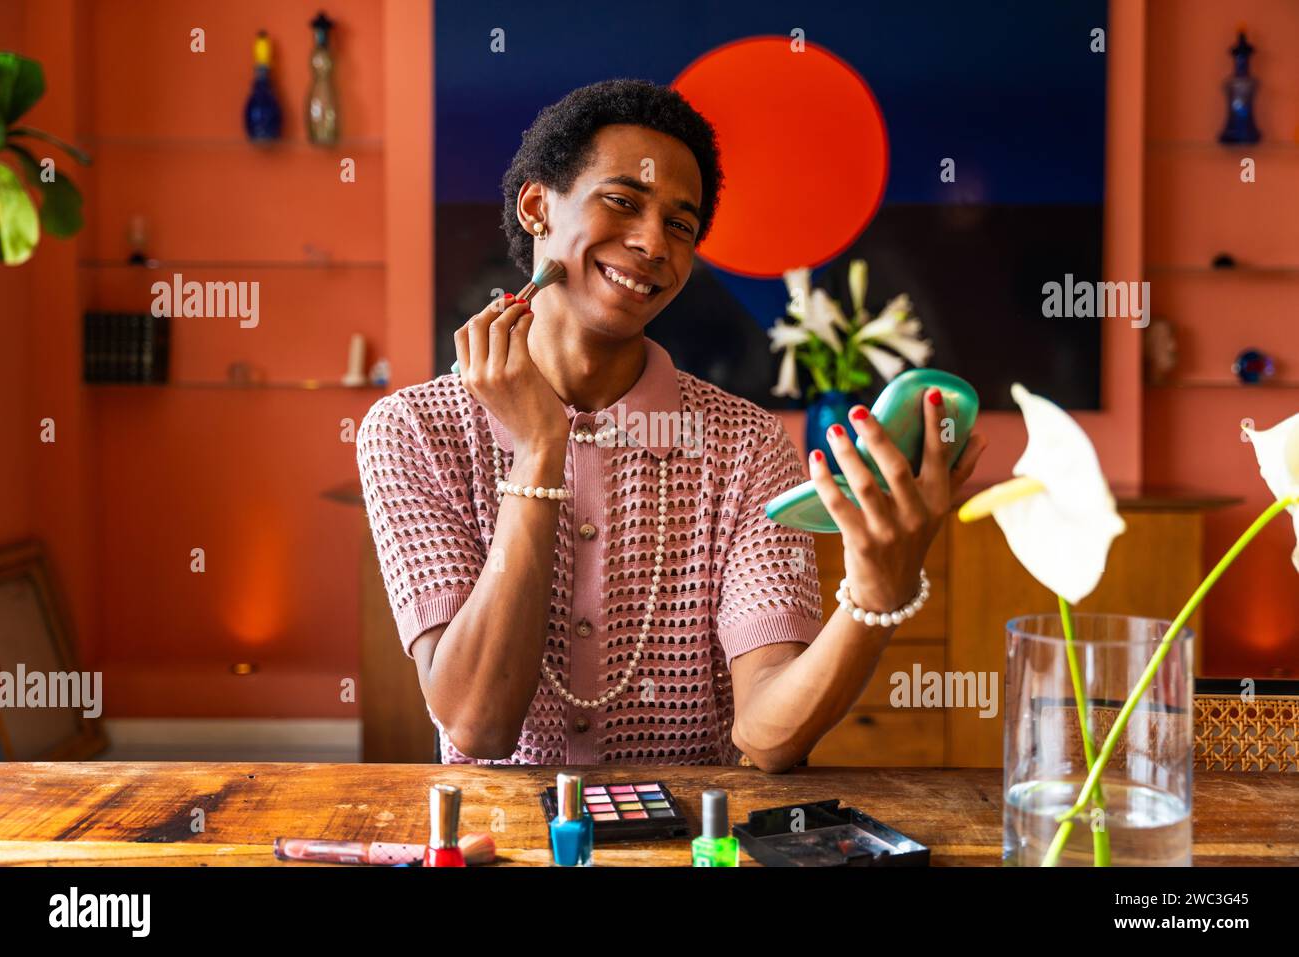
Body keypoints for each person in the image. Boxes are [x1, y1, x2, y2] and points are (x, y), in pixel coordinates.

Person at [356, 78, 988, 769]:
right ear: (537, 206)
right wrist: (540, 449)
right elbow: (479, 725)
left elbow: (767, 736)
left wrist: (875, 593)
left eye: (681, 225)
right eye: (623, 201)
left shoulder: (746, 445)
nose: (654, 242)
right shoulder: (410, 429)